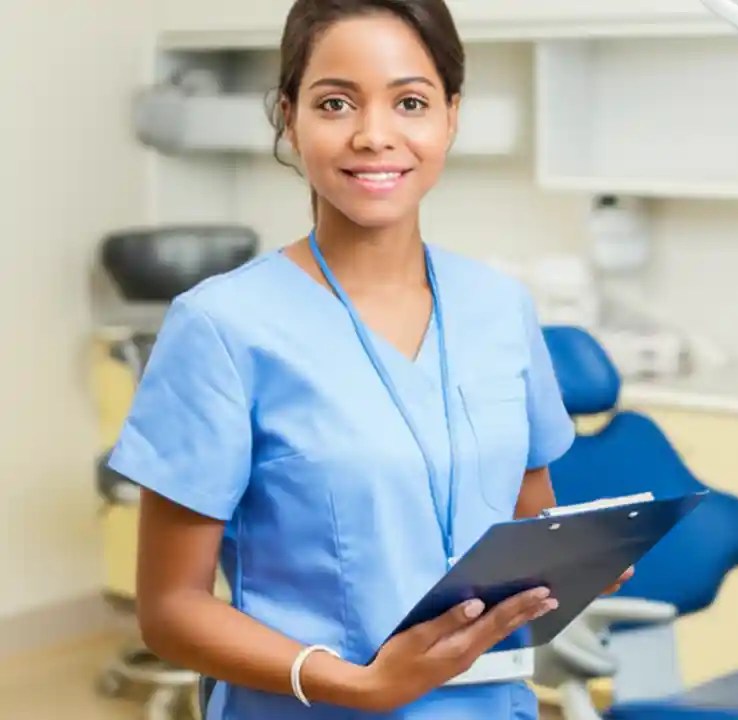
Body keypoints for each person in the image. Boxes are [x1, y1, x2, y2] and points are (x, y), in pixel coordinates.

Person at [106, 0, 631, 717]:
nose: (374, 136)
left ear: (450, 116)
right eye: (335, 103)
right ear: (289, 119)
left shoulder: (500, 308)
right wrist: (357, 685)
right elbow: (170, 609)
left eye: (410, 101)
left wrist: (579, 561)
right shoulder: (222, 327)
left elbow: (530, 517)